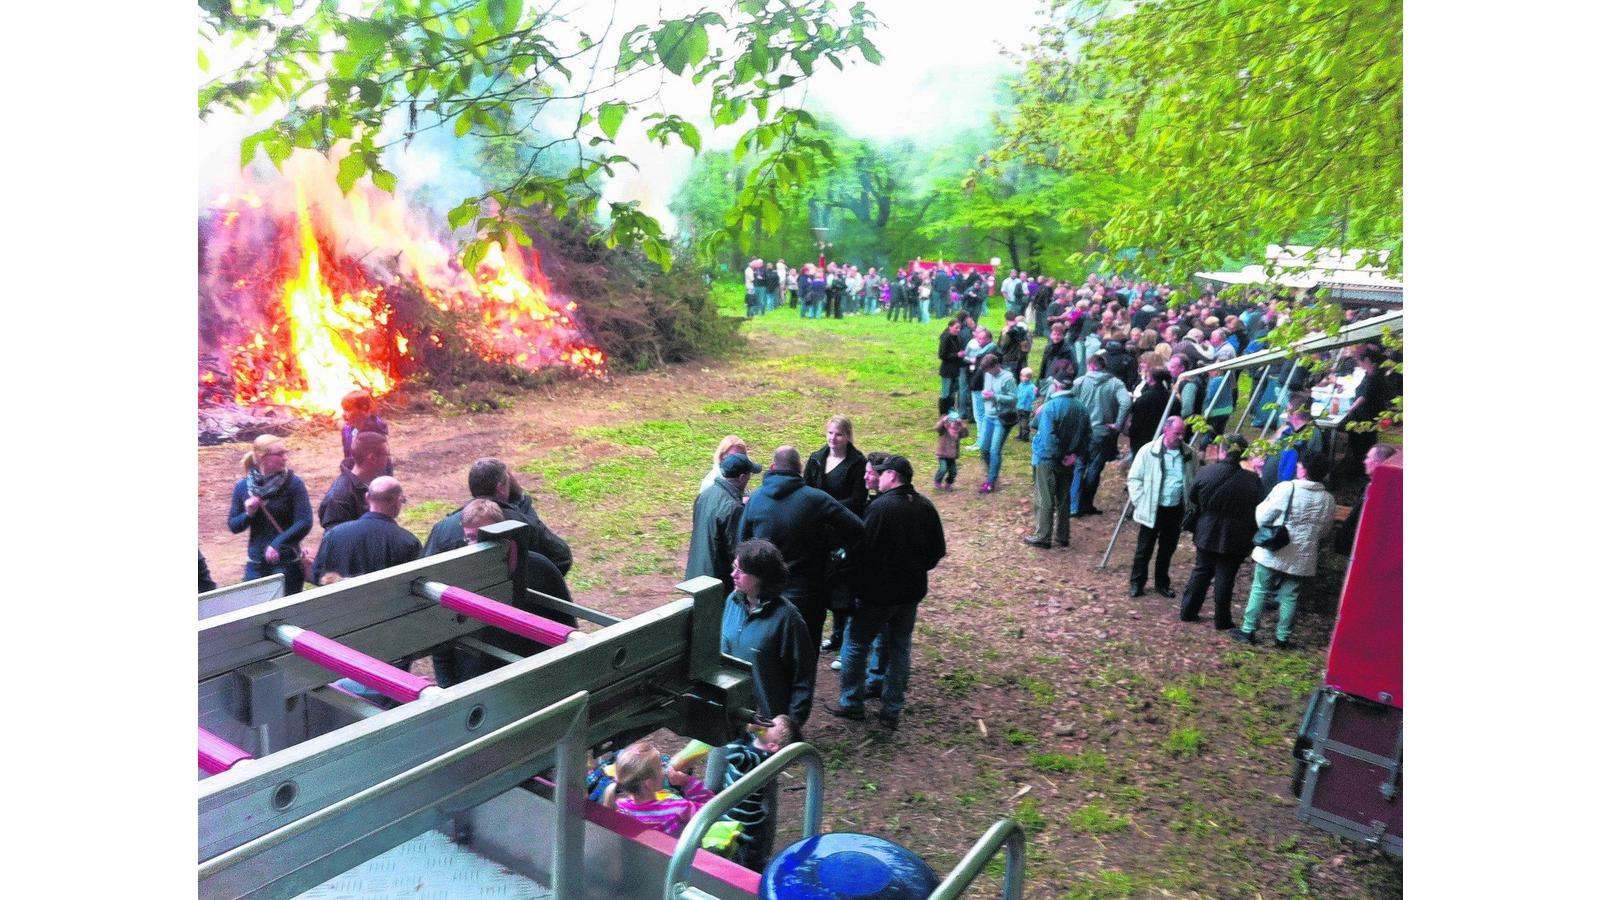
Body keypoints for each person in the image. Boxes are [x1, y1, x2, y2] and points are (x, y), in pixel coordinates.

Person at [827, 455, 946, 729]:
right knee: (900, 647)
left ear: (892, 476)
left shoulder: (880, 509)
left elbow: (862, 550)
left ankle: (851, 702)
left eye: (880, 474)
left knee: (856, 643)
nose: (875, 478)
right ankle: (891, 709)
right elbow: (936, 551)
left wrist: (853, 582)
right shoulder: (926, 506)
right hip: (910, 594)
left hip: (876, 595)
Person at [737, 447, 865, 656]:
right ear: (800, 468)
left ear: (772, 468)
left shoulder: (756, 499)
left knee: (767, 653)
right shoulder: (817, 500)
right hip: (808, 594)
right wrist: (835, 556)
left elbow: (741, 544)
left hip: (765, 592)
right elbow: (857, 529)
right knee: (804, 653)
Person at [1232, 453, 1339, 649]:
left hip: (1276, 549)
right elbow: (1324, 529)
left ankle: (1248, 630)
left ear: (1304, 469)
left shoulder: (1286, 488)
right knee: (1291, 595)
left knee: (1260, 588)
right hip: (1303, 554)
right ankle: (1282, 637)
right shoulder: (1328, 500)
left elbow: (1263, 515)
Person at [720, 539, 817, 725]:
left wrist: (790, 725)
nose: (733, 574)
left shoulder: (788, 618)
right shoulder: (732, 601)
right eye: (734, 567)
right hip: (732, 715)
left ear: (761, 576)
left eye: (741, 571)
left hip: (767, 724)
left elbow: (803, 677)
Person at [1178, 434, 1263, 630]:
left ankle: (1188, 611)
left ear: (1222, 451)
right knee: (1226, 576)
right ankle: (1222, 619)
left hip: (1207, 529)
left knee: (1201, 571)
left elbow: (1193, 497)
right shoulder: (1252, 480)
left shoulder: (1206, 472)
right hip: (1237, 534)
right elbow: (1259, 504)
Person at [802, 417, 869, 653]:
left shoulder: (857, 462)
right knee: (818, 583)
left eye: (838, 434)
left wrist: (827, 508)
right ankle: (819, 633)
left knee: (841, 588)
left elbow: (858, 498)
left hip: (842, 531)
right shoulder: (816, 458)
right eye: (829, 433)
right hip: (818, 531)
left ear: (848, 436)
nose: (832, 438)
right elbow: (805, 487)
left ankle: (840, 635)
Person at [228, 435, 313, 594]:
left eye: (285, 452)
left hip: (286, 563)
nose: (285, 458)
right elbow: (233, 526)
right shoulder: (243, 487)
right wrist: (248, 513)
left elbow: (305, 521)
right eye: (280, 454)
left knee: (287, 613)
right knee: (253, 613)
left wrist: (277, 543)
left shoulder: (293, 484)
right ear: (263, 458)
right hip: (256, 564)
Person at [1125, 416, 1198, 598]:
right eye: (1177, 433)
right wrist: (1140, 501)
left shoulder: (1189, 455)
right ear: (1166, 430)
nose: (1181, 437)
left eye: (1183, 433)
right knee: (1144, 548)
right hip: (1152, 507)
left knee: (1167, 548)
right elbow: (1134, 479)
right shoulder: (1147, 451)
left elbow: (1194, 480)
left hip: (1175, 509)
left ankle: (1162, 583)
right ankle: (1137, 582)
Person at [718, 715, 798, 870]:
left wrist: (741, 730)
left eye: (771, 725)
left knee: (741, 860)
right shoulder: (756, 745)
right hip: (736, 814)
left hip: (741, 823)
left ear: (773, 746)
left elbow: (734, 755)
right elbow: (748, 741)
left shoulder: (760, 759)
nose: (766, 724)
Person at [312, 476, 422, 584]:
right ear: (398, 501)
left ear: (367, 497)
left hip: (344, 601)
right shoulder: (408, 542)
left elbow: (318, 576)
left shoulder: (334, 535)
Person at [1025, 380, 1090, 549]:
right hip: (1069, 460)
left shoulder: (1050, 407)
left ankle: (1043, 535)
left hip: (1048, 459)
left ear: (1057, 386)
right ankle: (1063, 535)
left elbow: (1047, 436)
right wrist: (1074, 455)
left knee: (1045, 497)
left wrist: (1060, 455)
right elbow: (1087, 435)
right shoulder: (1081, 408)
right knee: (1063, 497)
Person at [687, 452, 761, 599]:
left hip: (695, 573)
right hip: (716, 581)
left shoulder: (705, 495)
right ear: (742, 478)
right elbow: (735, 550)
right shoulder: (733, 508)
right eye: (749, 475)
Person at [611, 740, 717, 837]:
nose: (664, 769)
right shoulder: (679, 809)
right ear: (649, 783)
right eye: (660, 767)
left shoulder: (620, 809)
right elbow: (712, 810)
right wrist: (688, 783)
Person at [1070, 351, 1132, 516]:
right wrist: (1118, 424)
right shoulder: (1115, 383)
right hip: (1101, 432)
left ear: (1090, 365)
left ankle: (1073, 506)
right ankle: (1087, 504)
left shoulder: (1080, 381)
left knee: (1078, 466)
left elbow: (1069, 399)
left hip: (1081, 432)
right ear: (1104, 367)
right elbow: (1126, 402)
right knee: (1094, 469)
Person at [318, 431, 391, 531]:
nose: (388, 460)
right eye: (387, 455)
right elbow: (335, 540)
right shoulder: (340, 497)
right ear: (372, 458)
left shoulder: (377, 483)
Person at [975, 353, 1019, 494]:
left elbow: (1013, 399)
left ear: (996, 366)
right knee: (983, 448)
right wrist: (985, 395)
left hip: (1001, 417)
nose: (988, 373)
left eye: (989, 370)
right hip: (989, 415)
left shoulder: (1008, 378)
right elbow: (987, 391)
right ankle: (991, 473)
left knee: (994, 449)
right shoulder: (988, 375)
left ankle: (991, 481)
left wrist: (995, 396)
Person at [1124, 352, 1173, 457]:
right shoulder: (1141, 378)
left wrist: (1139, 398)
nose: (1141, 365)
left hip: (1150, 419)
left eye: (1144, 362)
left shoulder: (1160, 380)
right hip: (1139, 412)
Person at [339, 390, 391, 473]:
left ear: (364, 409)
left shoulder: (375, 431)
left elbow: (381, 466)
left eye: (348, 410)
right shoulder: (347, 430)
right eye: (343, 410)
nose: (343, 415)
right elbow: (348, 458)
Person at [932, 411, 969, 491]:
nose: (954, 425)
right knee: (943, 469)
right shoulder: (944, 430)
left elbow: (965, 434)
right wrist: (943, 420)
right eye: (952, 422)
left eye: (956, 423)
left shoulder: (958, 431)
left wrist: (964, 426)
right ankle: (937, 480)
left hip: (952, 456)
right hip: (942, 455)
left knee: (953, 472)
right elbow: (937, 428)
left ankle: (948, 484)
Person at [937, 319, 966, 417]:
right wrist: (957, 355)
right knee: (945, 393)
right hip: (947, 370)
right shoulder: (946, 338)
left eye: (959, 328)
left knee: (953, 392)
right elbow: (942, 355)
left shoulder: (958, 338)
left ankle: (950, 410)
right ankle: (943, 413)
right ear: (950, 327)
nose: (958, 330)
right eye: (956, 328)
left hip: (956, 369)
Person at [1013, 367, 1037, 442]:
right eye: (1023, 376)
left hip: (1026, 408)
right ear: (1020, 376)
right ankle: (1020, 435)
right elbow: (1017, 394)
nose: (1025, 378)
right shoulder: (1020, 385)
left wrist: (1035, 393)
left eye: (1027, 376)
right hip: (1019, 406)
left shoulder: (1032, 387)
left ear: (1030, 377)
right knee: (1020, 422)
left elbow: (1034, 398)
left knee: (1025, 423)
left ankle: (1025, 437)